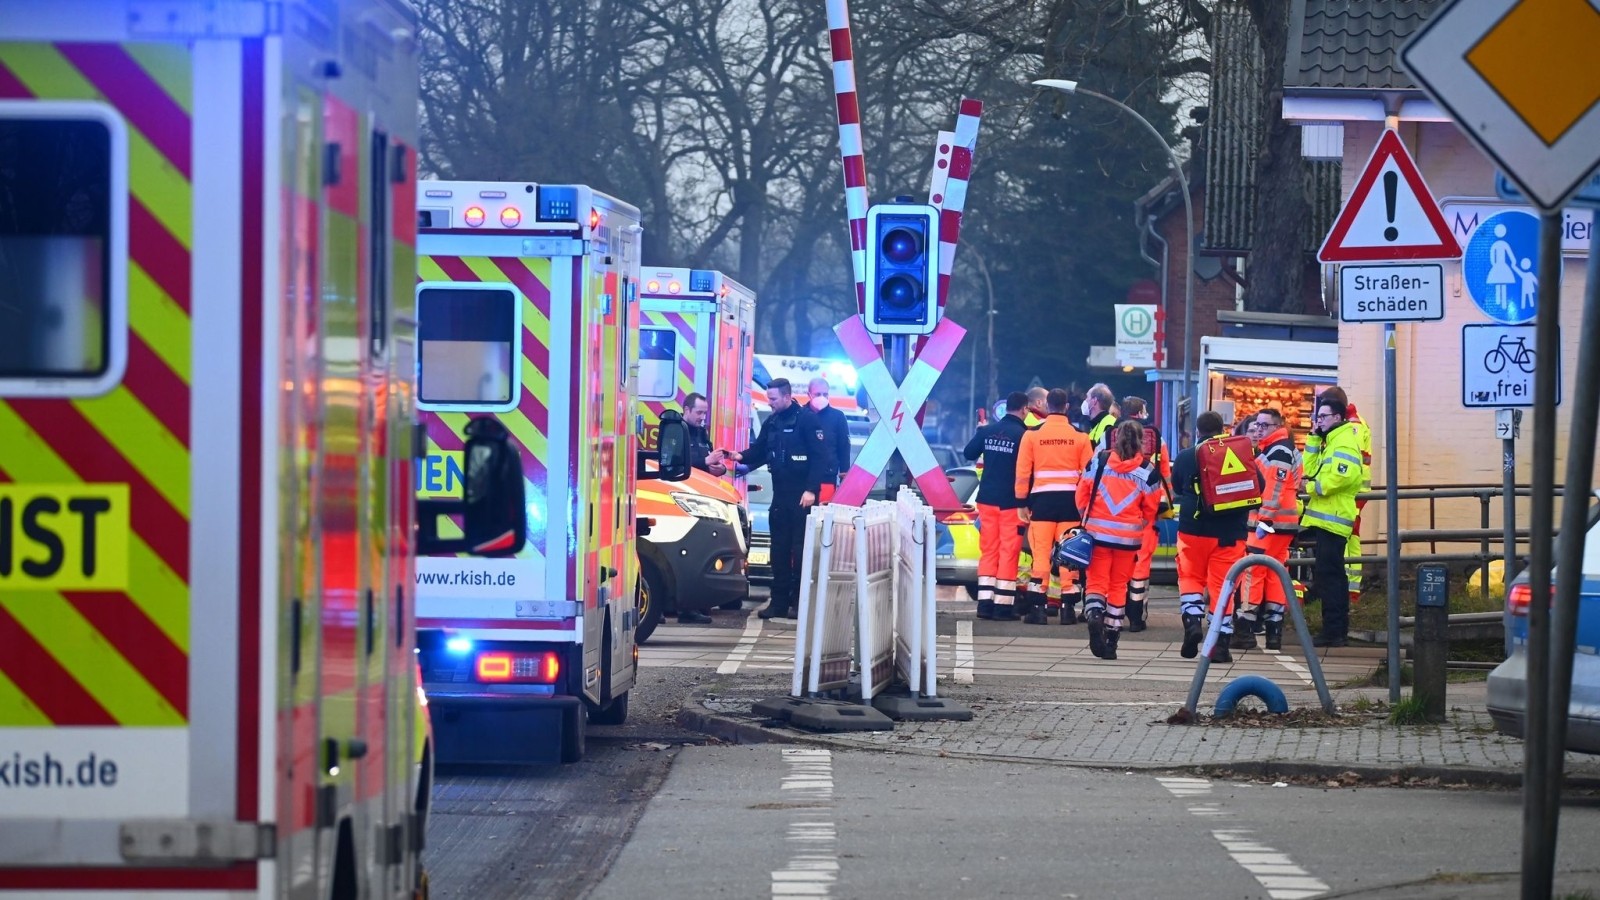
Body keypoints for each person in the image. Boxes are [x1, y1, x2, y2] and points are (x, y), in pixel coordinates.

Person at [727, 378, 828, 620]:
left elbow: (820, 457)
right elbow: (760, 450)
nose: (769, 403)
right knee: (779, 551)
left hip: (802, 496)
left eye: (772, 399)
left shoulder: (807, 420)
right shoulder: (772, 422)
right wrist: (739, 456)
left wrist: (812, 490)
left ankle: (798, 602)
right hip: (781, 496)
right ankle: (779, 602)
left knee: (800, 550)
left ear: (786, 396)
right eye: (768, 398)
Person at [1075, 420, 1163, 659]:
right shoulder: (1148, 470)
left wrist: (1088, 516)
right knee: (1118, 586)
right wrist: (1138, 525)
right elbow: (1151, 508)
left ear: (1116, 438)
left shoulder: (1099, 461)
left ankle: (1094, 614)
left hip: (1097, 535)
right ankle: (1111, 638)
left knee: (1096, 583)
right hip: (1128, 540)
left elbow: (1082, 494)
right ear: (1141, 441)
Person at [1171, 411, 1252, 662]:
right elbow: (1256, 483)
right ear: (1224, 429)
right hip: (1230, 533)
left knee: (1190, 577)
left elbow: (1176, 487)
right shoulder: (1239, 454)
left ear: (1197, 432)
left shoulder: (1186, 457)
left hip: (1193, 531)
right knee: (1222, 587)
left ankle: (1192, 620)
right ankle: (1220, 645)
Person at [1013, 388, 1095, 625]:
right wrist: (1085, 507)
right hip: (1071, 504)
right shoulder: (1081, 437)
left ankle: (1038, 609)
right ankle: (1068, 610)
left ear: (1047, 407)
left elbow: (1022, 473)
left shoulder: (1031, 436)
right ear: (1067, 407)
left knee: (1040, 556)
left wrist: (1021, 502)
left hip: (1042, 503)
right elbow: (1088, 477)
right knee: (1070, 555)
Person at [1236, 408, 1302, 650]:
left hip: (1268, 524)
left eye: (1265, 425)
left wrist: (1265, 520)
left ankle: (1246, 626)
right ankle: (1274, 630)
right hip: (1282, 524)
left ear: (1278, 426)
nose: (1260, 429)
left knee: (1254, 572)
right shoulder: (1282, 448)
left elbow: (1273, 488)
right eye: (1258, 424)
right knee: (1275, 573)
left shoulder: (1277, 450)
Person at [1302, 394, 1364, 646]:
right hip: (1327, 519)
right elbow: (1309, 468)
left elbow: (1341, 477)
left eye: (1323, 417)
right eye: (1318, 417)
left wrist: (1313, 488)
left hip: (1335, 519)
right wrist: (1314, 437)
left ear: (1337, 417)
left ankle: (1334, 631)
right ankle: (1333, 630)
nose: (1319, 421)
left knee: (1331, 577)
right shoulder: (1331, 440)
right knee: (1328, 575)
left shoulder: (1345, 442)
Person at [964, 391, 1029, 620]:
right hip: (1012, 503)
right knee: (1009, 552)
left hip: (987, 500)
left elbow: (969, 453)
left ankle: (984, 604)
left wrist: (979, 433)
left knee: (989, 551)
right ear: (1024, 409)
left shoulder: (988, 431)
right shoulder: (1023, 435)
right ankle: (1002, 606)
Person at [1118, 396, 1171, 632]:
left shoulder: (1110, 435)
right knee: (1141, 565)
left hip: (1114, 512)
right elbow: (1165, 475)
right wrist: (1165, 505)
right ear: (1141, 412)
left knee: (1117, 566)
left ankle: (1114, 614)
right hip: (1145, 511)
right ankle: (1137, 617)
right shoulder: (1156, 438)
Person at [806, 377, 852, 502]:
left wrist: (844, 474)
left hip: (827, 477)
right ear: (809, 395)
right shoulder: (801, 414)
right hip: (803, 477)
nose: (822, 397)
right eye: (818, 394)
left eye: (825, 394)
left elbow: (844, 447)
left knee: (822, 517)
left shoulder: (837, 417)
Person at [682, 392, 727, 476]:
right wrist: (705, 461)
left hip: (703, 483)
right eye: (699, 413)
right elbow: (674, 463)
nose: (703, 417)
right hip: (683, 485)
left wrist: (721, 468)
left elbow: (710, 459)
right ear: (687, 410)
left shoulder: (702, 432)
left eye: (705, 413)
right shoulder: (674, 430)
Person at [1081, 383, 1116, 450]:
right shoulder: (1096, 424)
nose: (1085, 401)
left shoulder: (1109, 425)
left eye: (1087, 397)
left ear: (1094, 401)